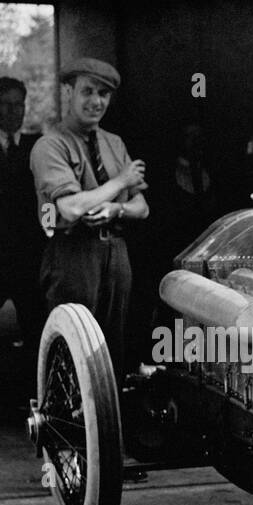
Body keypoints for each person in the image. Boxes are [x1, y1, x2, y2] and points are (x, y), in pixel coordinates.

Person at [29, 58, 149, 382]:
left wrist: (117, 210)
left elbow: (142, 206)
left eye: (104, 94)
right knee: (72, 347)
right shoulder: (49, 145)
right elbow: (68, 209)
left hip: (115, 253)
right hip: (72, 254)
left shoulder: (114, 143)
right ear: (68, 92)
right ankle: (66, 427)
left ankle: (108, 430)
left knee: (111, 350)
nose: (96, 101)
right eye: (87, 91)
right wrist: (120, 182)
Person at [0, 75, 44, 411]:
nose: (14, 111)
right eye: (6, 104)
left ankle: (35, 402)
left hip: (29, 257)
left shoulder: (38, 146)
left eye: (19, 104)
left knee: (37, 332)